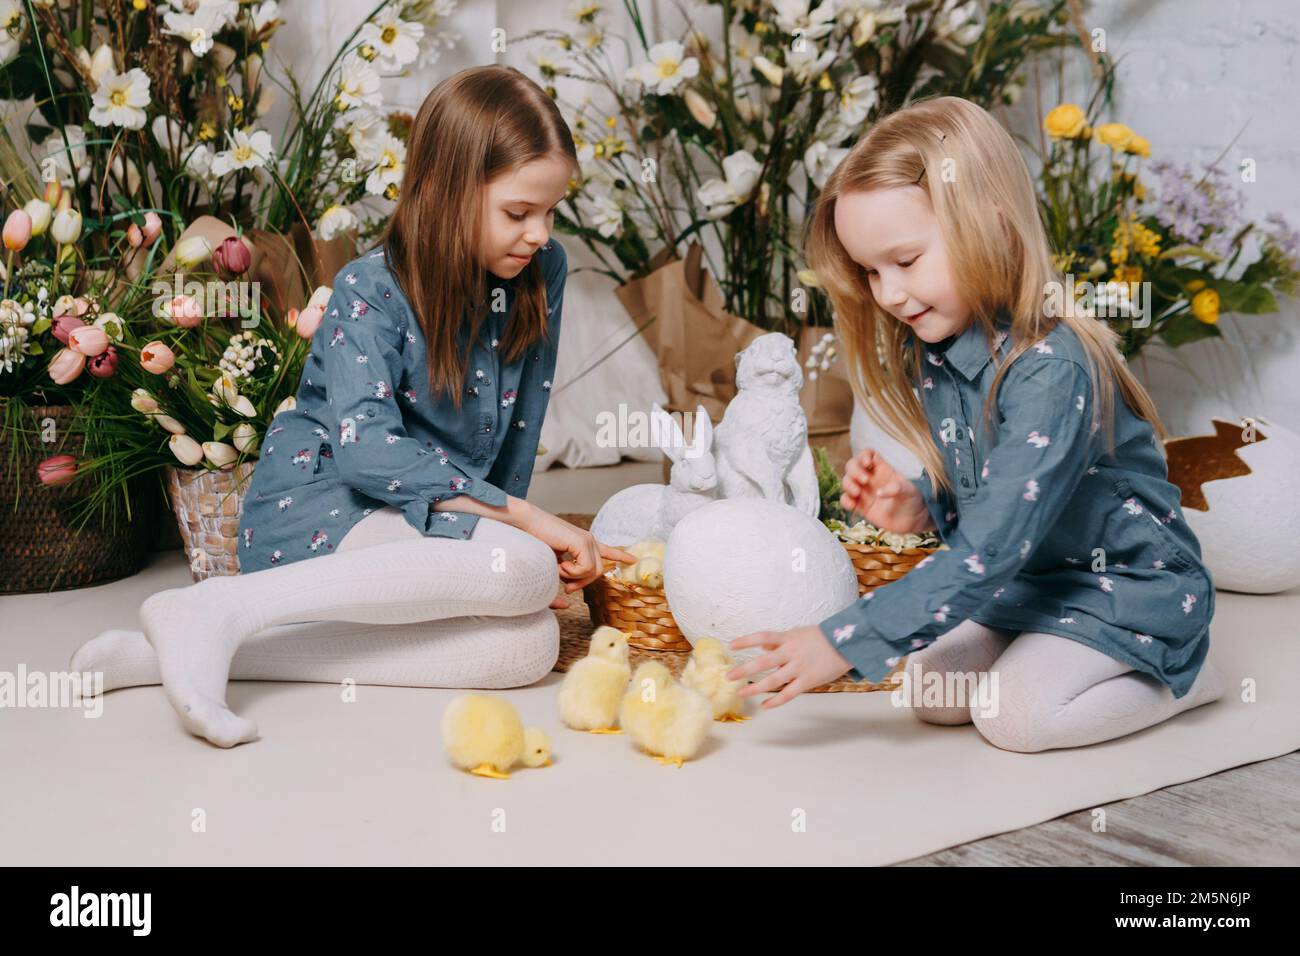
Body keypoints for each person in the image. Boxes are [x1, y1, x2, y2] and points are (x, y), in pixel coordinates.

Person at [72, 65, 635, 749]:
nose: (540, 233)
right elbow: (369, 454)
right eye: (518, 213)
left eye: (551, 211)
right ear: (443, 193)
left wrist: (511, 533)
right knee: (522, 571)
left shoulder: (542, 271)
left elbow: (519, 428)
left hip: (433, 522)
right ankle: (230, 603)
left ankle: (178, 637)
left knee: (527, 648)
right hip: (324, 507)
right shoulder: (368, 288)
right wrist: (525, 528)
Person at [727, 96, 1225, 752]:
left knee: (1010, 718)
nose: (889, 293)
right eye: (871, 271)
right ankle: (1061, 650)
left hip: (1122, 588)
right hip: (1031, 582)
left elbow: (988, 550)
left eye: (905, 261)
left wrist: (838, 641)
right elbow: (1000, 493)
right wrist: (923, 506)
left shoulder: (1053, 368)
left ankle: (1185, 669)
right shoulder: (934, 346)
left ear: (989, 226)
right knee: (931, 692)